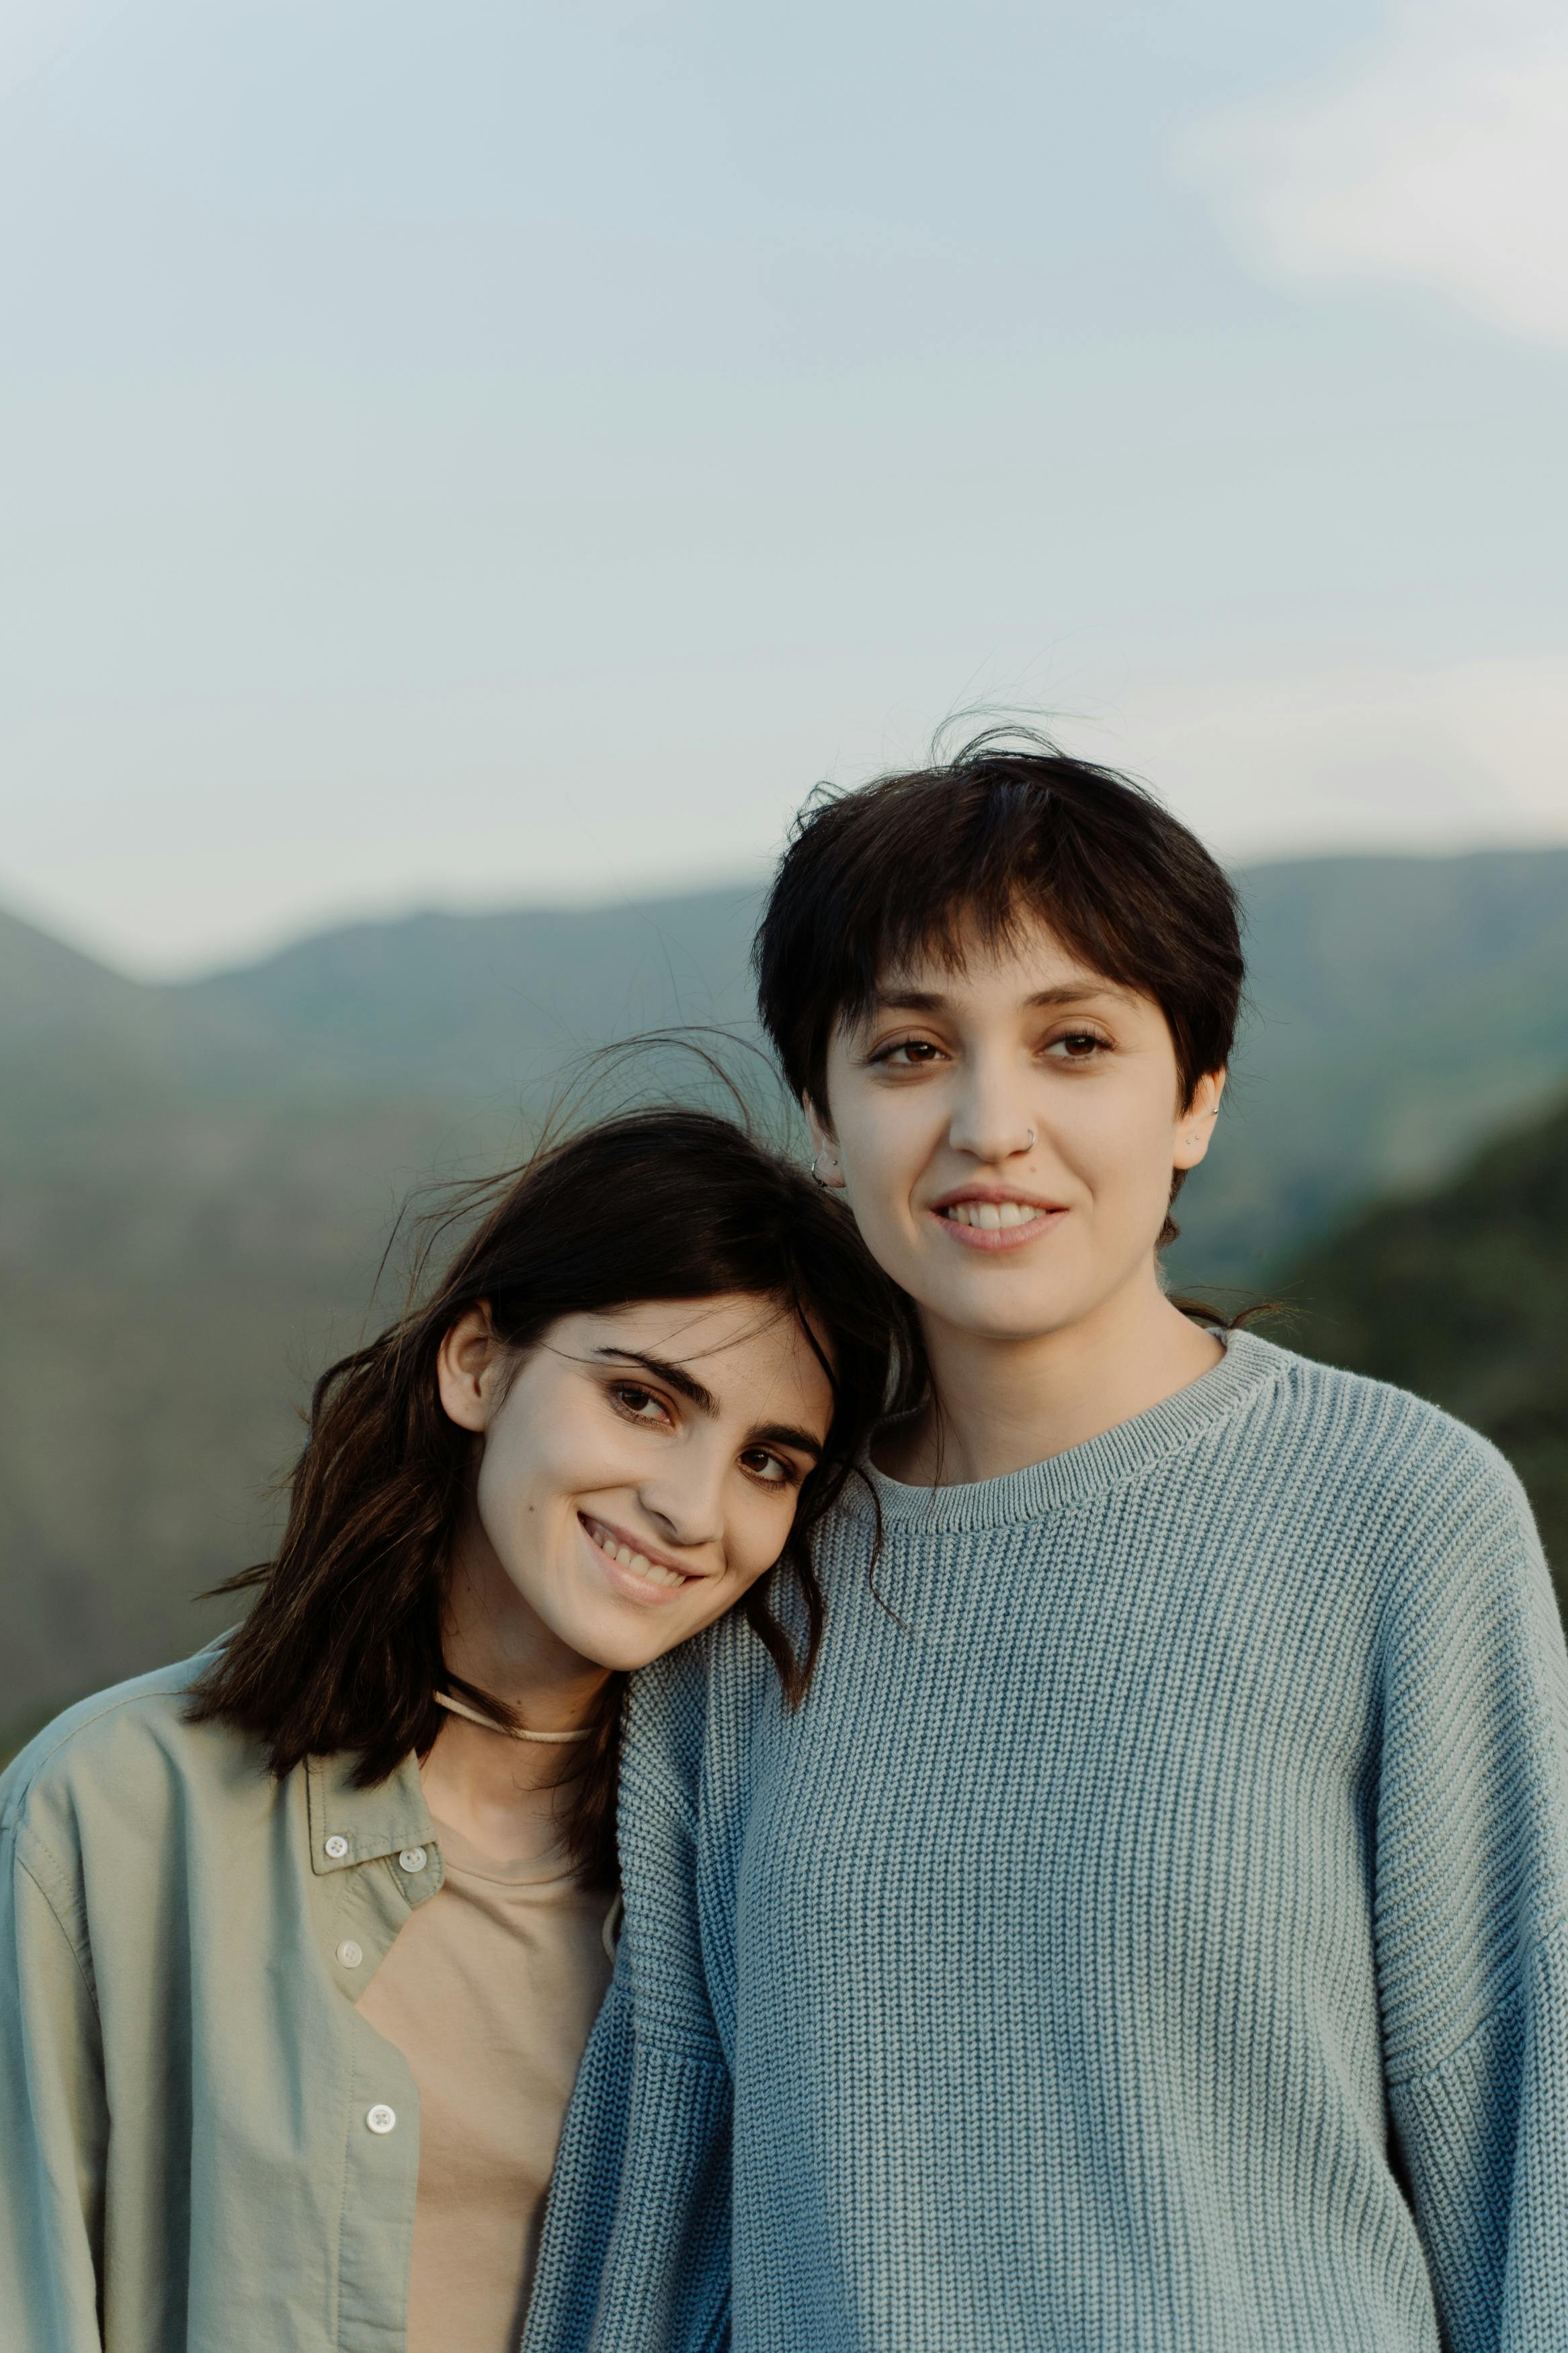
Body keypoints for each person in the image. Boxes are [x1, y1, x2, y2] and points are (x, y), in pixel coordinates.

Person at [525, 742, 1568, 2353]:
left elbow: (1524, 2139)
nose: (991, 1123)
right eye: (911, 1049)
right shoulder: (749, 1572)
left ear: (1196, 1097)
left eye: (1075, 1041)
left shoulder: (1398, 1515)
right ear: (822, 1112)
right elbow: (664, 2189)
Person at [0, 1108, 911, 2353]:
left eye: (767, 1461)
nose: (691, 1509)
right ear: (477, 1363)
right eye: (643, 1400)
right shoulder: (111, 1814)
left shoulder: (756, 1888)